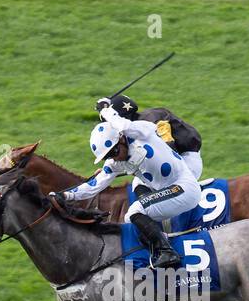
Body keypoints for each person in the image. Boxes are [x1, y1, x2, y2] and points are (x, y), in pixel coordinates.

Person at [53, 104, 203, 269]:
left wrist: (106, 110)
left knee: (135, 211)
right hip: (164, 189)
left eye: (114, 152)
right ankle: (157, 241)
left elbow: (124, 125)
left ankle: (167, 252)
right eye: (108, 156)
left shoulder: (142, 132)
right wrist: (66, 195)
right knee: (132, 210)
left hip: (185, 188)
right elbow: (94, 185)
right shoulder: (117, 161)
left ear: (122, 139)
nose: (114, 158)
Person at [96, 94, 204, 178]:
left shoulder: (152, 119)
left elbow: (169, 154)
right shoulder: (137, 127)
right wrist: (111, 171)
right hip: (176, 161)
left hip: (186, 161)